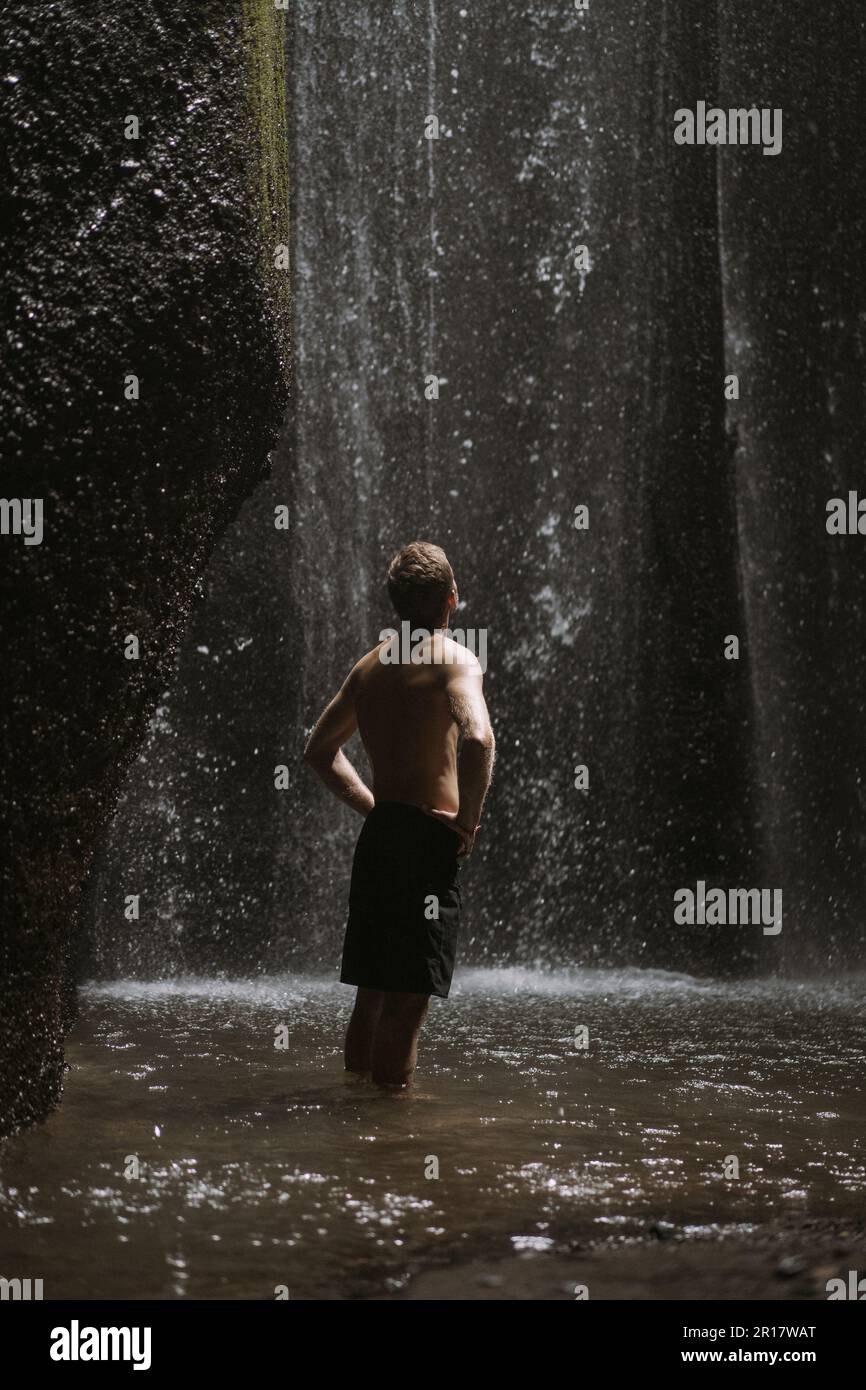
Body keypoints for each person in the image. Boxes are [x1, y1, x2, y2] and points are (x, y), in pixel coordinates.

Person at [303, 541, 495, 1087]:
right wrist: (467, 823)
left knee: (372, 991)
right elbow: (479, 740)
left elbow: (318, 753)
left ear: (397, 604)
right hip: (425, 843)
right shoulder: (456, 661)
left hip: (382, 836)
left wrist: (372, 808)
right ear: (450, 600)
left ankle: (355, 1111)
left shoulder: (370, 666)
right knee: (408, 1005)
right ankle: (390, 1137)